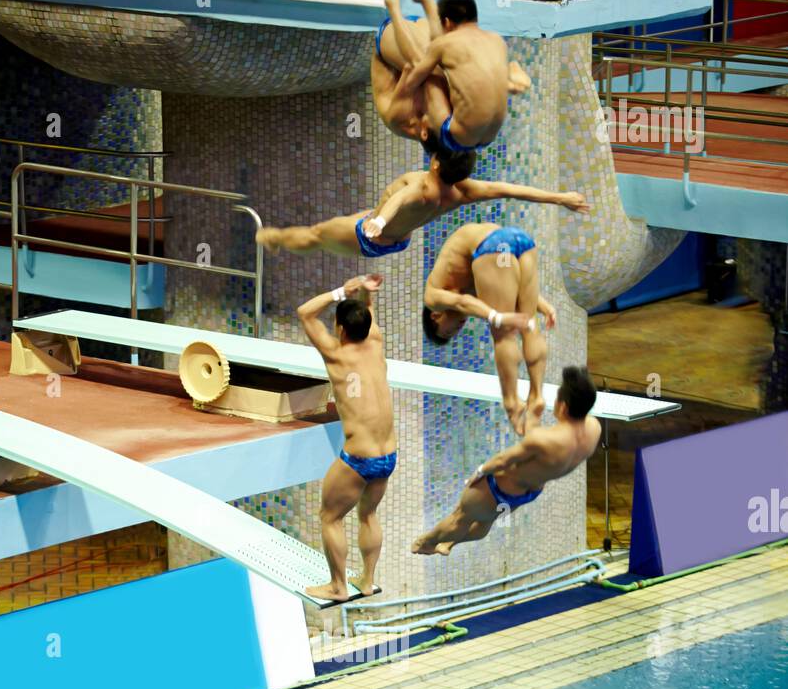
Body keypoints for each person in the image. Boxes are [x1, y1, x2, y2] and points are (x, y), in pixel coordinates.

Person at [412, 364, 600, 555]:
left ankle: (425, 542)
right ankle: (449, 545)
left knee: (460, 518)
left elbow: (503, 460)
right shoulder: (594, 428)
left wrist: (480, 471)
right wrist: (532, 417)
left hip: (496, 489)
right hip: (525, 496)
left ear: (563, 406)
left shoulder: (545, 440)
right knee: (486, 523)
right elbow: (540, 449)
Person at [257, 162, 588, 262]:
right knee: (346, 223)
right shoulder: (465, 190)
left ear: (434, 163)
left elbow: (400, 200)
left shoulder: (421, 185)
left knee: (317, 236)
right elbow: (510, 189)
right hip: (398, 237)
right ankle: (278, 240)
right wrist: (561, 198)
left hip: (372, 236)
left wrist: (379, 221)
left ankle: (275, 238)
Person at [297, 274, 396, 604]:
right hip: (388, 455)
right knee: (368, 515)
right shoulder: (376, 342)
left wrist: (341, 291)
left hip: (359, 459)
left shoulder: (335, 354)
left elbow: (304, 312)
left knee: (330, 517)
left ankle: (338, 586)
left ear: (339, 328)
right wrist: (368, 294)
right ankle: (367, 581)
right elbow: (369, 315)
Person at [424, 220, 570, 434]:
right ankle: (536, 395)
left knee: (504, 335)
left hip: (494, 246)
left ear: (435, 316)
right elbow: (509, 281)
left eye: (448, 330)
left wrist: (497, 318)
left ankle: (512, 404)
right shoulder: (464, 275)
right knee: (530, 326)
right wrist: (542, 305)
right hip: (521, 239)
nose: (458, 329)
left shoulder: (432, 297)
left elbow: (463, 303)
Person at [395, 0, 531, 155]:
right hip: (489, 136)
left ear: (447, 23)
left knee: (430, 74)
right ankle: (427, 4)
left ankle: (398, 8)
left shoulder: (445, 43)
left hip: (455, 137)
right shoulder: (498, 40)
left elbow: (411, 83)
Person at [372, 0, 451, 142]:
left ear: (424, 133)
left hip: (388, 38)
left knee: (424, 67)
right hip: (417, 35)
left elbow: (411, 70)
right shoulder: (441, 120)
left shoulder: (400, 119)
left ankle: (393, 6)